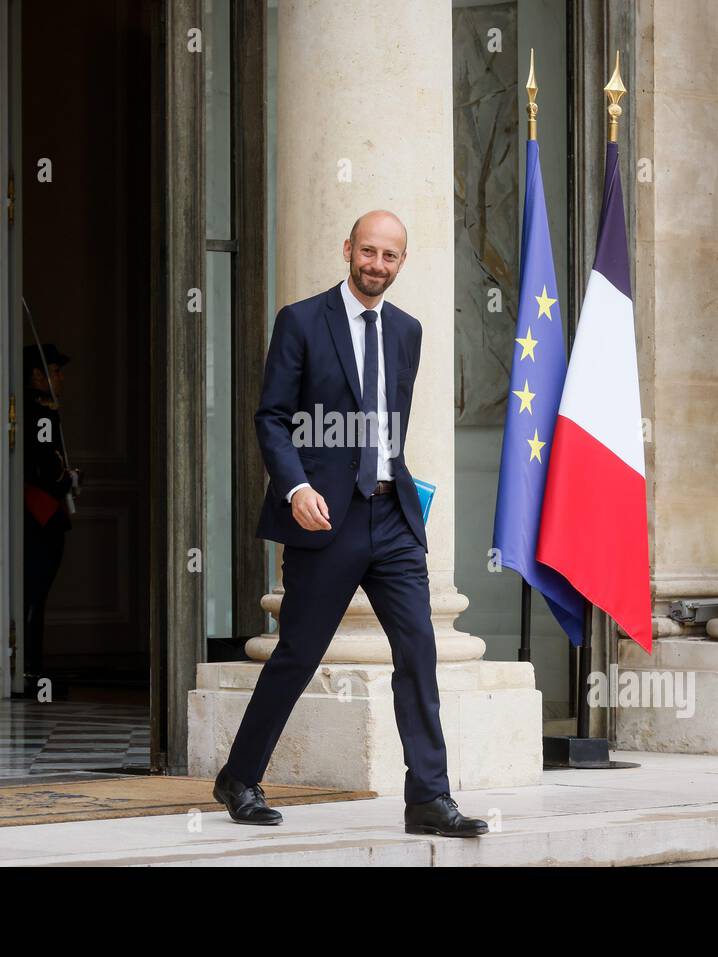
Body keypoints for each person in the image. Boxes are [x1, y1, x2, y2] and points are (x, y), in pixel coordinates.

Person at [212, 210, 487, 837]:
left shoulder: (408, 331)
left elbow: (391, 427)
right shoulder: (302, 321)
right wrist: (297, 486)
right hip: (325, 516)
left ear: (401, 263)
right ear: (348, 250)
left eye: (390, 256)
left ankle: (428, 797)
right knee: (299, 654)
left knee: (418, 648)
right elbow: (272, 418)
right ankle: (239, 776)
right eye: (369, 252)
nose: (377, 265)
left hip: (391, 517)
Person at [22, 342, 77, 698]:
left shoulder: (44, 411)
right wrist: (67, 479)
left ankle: (32, 668)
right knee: (32, 595)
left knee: (36, 596)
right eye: (54, 371)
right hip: (39, 514)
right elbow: (45, 468)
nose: (59, 378)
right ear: (37, 375)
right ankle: (30, 670)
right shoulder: (40, 413)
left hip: (42, 513)